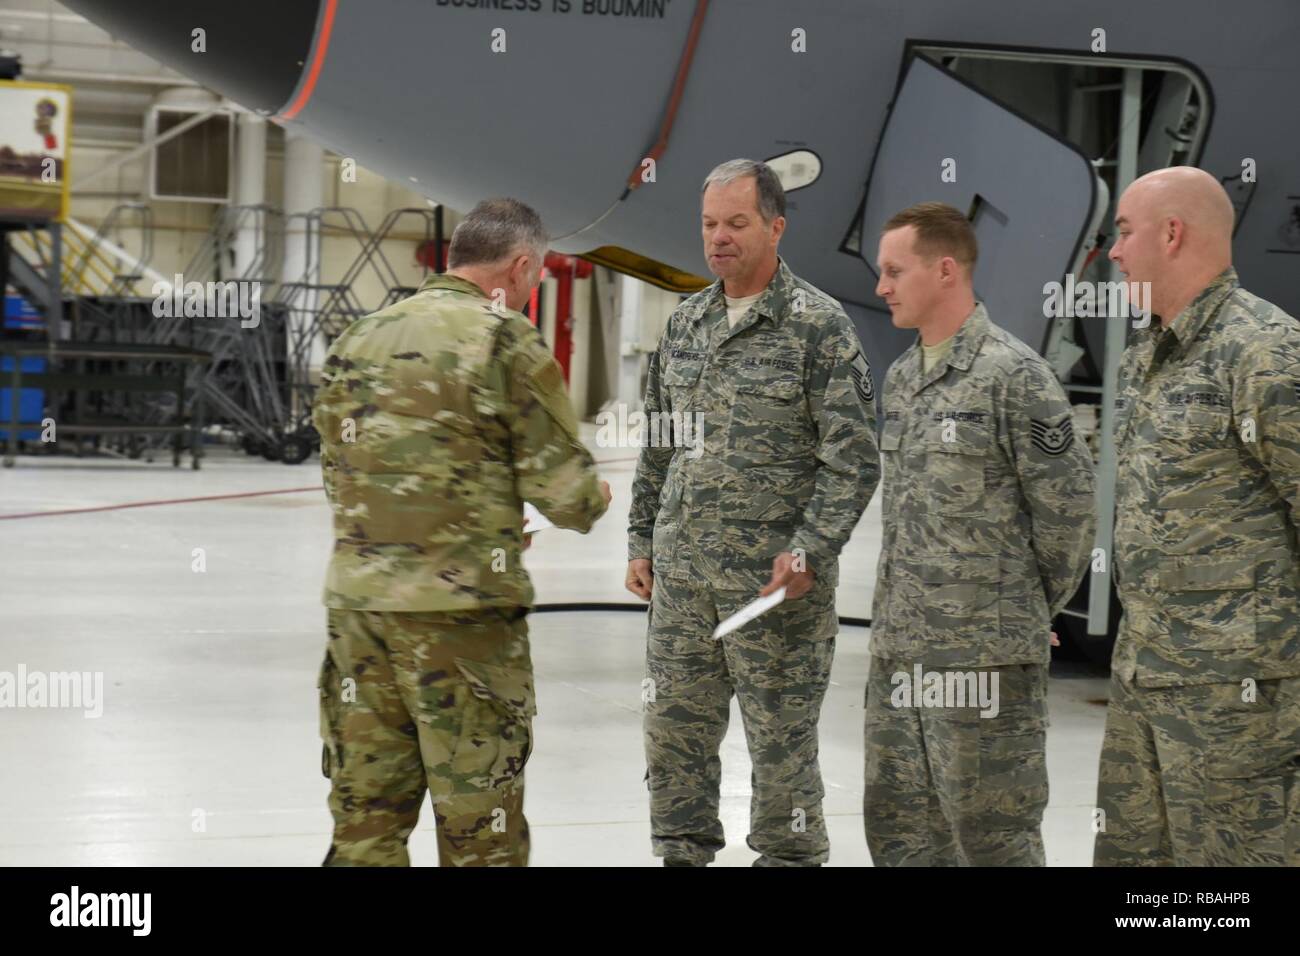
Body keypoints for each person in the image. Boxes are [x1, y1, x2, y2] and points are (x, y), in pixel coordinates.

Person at [312, 197, 611, 866]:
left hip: (357, 617)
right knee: (481, 834)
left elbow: (343, 477)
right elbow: (569, 497)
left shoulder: (361, 335)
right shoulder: (503, 336)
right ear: (522, 265)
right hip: (461, 626)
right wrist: (596, 495)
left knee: (365, 827)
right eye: (534, 279)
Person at [626, 158, 880, 866]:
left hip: (774, 594)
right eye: (709, 224)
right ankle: (680, 853)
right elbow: (658, 445)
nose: (719, 238)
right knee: (673, 736)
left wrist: (810, 550)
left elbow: (853, 460)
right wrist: (640, 541)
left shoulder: (818, 328)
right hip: (683, 585)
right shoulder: (685, 323)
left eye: (736, 223)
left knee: (781, 753)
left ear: (776, 226)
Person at [864, 201, 1096, 866]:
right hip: (900, 655)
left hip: (983, 661)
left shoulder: (1012, 376)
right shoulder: (903, 378)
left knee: (992, 838)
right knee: (901, 830)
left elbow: (1068, 512)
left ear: (944, 271)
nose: (881, 286)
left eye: (893, 270)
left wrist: (1020, 612)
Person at [1095, 166, 1300, 866]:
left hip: (1236, 699)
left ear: (1172, 233)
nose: (1114, 251)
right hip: (1143, 675)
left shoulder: (1265, 351)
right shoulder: (1149, 353)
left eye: (1124, 232)